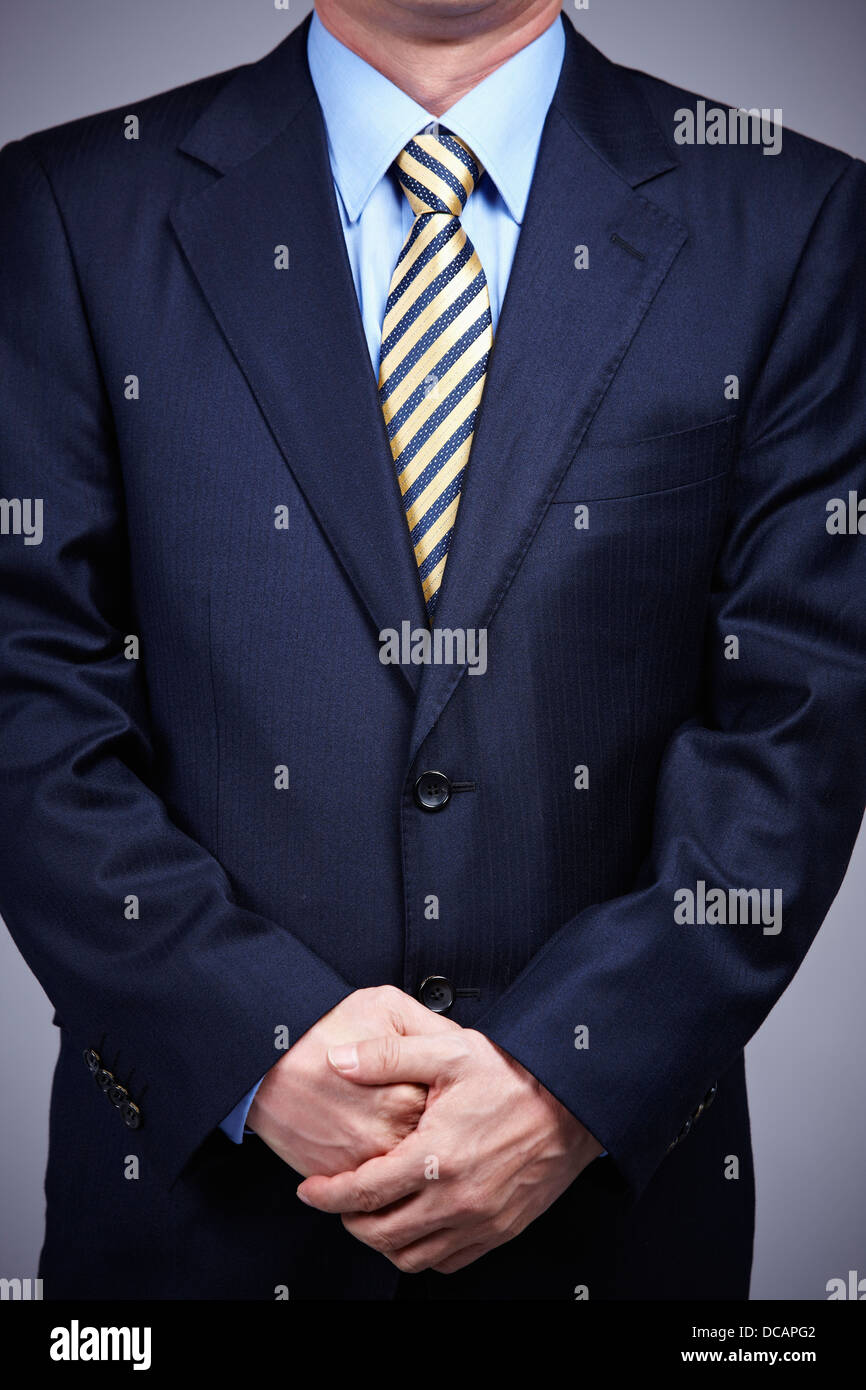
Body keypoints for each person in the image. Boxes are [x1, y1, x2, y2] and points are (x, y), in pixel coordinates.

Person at [0, 0, 864, 1301]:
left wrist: (570, 1072)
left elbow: (803, 707)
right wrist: (257, 1044)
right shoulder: (66, 209)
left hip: (611, 1238)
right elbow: (23, 686)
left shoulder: (793, 219)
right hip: (188, 1245)